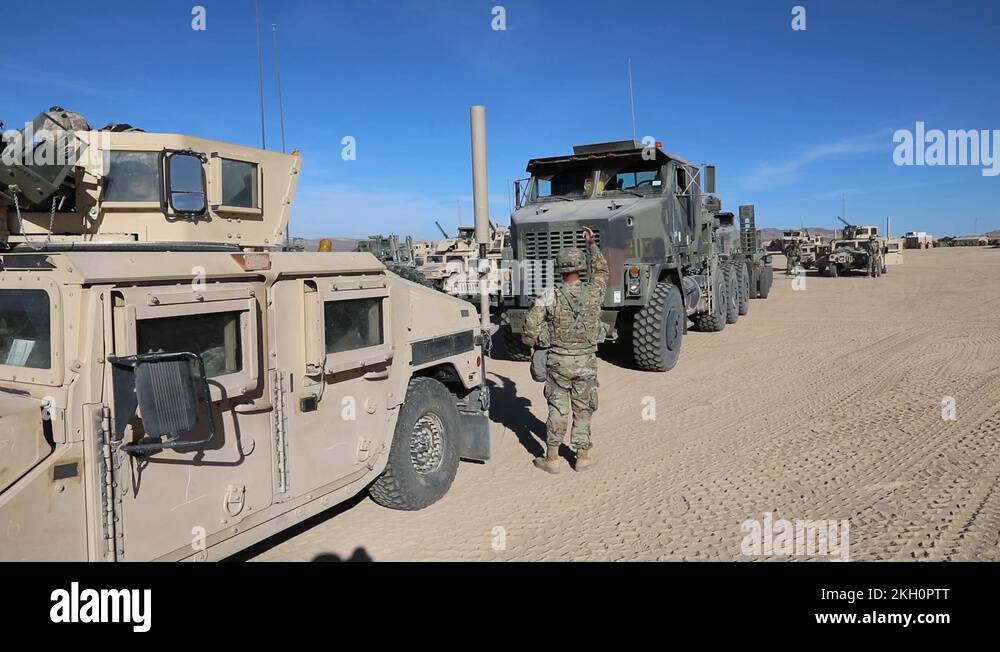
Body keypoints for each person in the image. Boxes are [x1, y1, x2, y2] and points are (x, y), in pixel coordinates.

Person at [521, 227, 609, 473]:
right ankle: (582, 457)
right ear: (581, 267)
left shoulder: (550, 295)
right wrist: (591, 244)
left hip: (558, 362)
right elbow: (602, 271)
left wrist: (535, 344)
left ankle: (551, 458)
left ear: (559, 269)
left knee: (558, 409)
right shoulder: (594, 292)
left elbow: (530, 326)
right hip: (587, 362)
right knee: (584, 408)